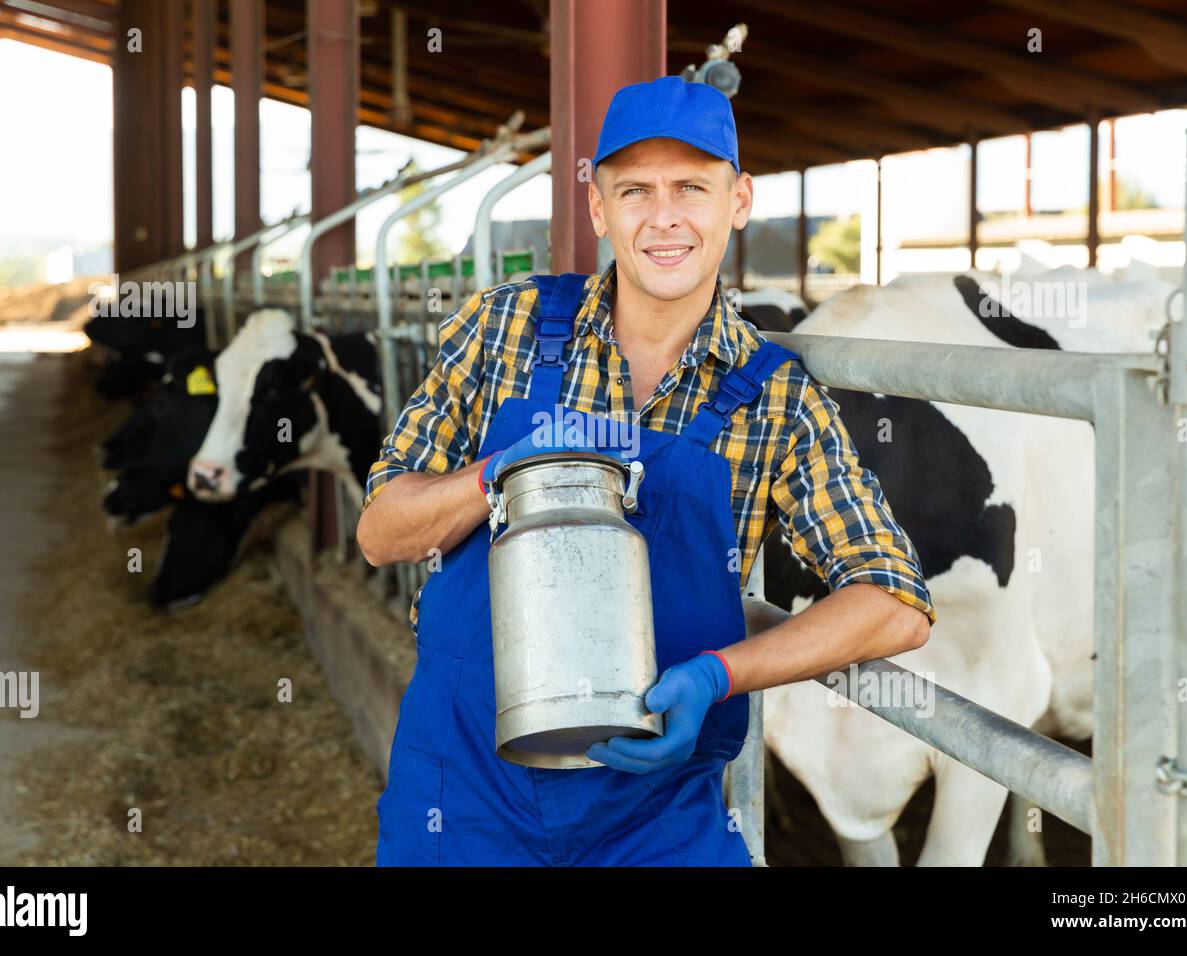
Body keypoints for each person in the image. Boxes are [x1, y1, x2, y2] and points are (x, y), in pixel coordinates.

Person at [358, 74, 935, 866]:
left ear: (738, 201)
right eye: (635, 190)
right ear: (598, 206)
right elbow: (382, 532)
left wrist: (718, 676)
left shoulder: (774, 401)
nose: (664, 218)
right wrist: (495, 477)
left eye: (693, 188)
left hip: (655, 822)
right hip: (462, 801)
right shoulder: (506, 328)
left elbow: (896, 602)